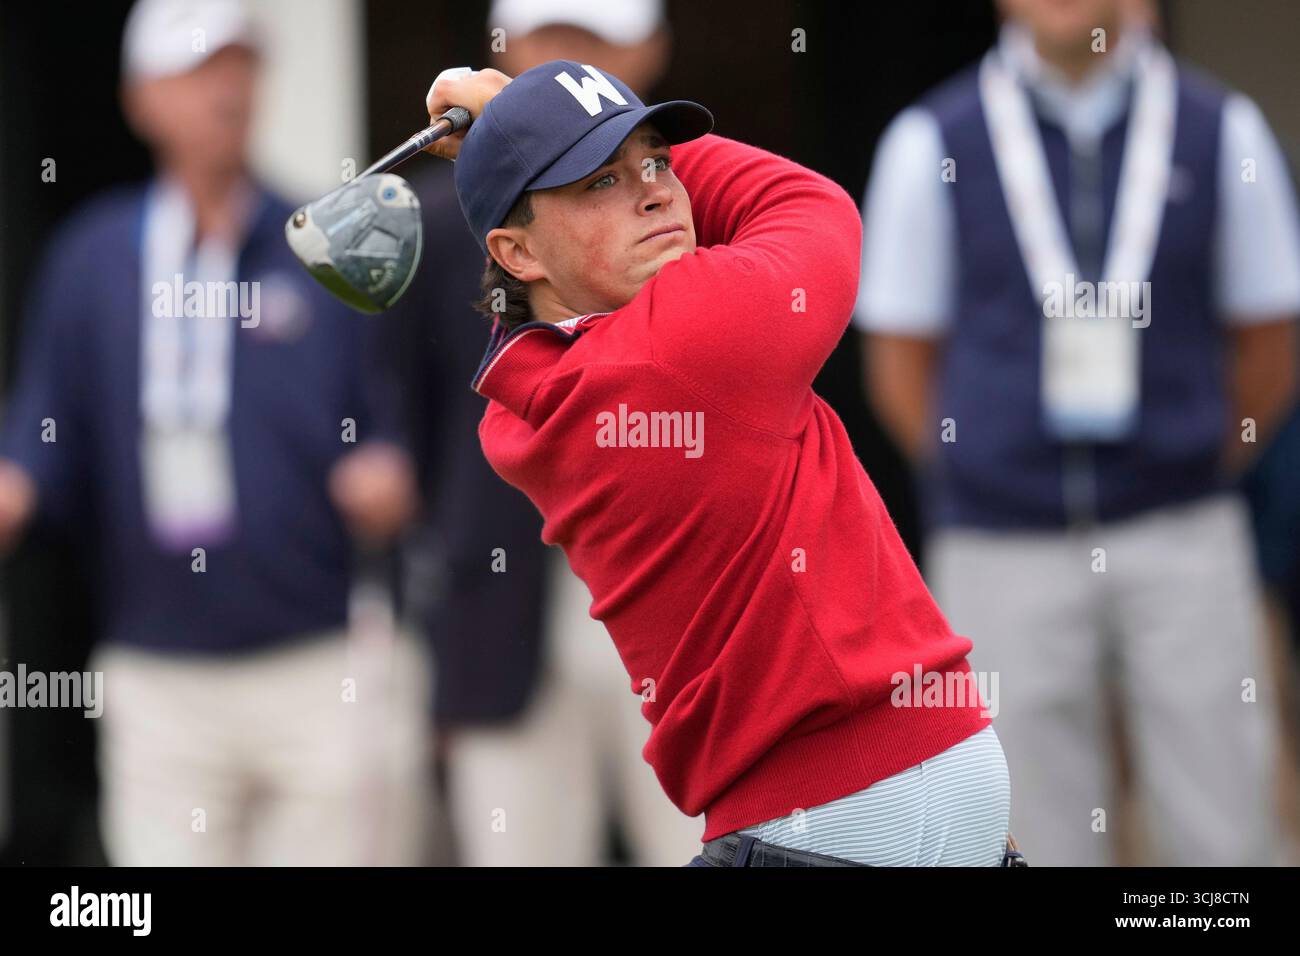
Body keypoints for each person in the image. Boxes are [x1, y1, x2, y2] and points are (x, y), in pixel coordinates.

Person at [417, 61, 1017, 867]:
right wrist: (522, 114)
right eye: (600, 182)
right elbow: (809, 205)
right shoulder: (689, 335)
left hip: (826, 818)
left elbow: (535, 293)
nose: (658, 191)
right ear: (517, 251)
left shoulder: (520, 397)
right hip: (862, 811)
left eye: (658, 160)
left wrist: (539, 131)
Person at [854, 0, 1300, 864]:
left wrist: (1193, 455)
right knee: (1024, 827)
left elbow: (1270, 344)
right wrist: (978, 468)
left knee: (1223, 823)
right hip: (1001, 542)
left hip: (1182, 530)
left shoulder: (1219, 127)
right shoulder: (931, 139)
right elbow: (900, 357)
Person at [0, 0, 429, 865]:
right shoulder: (93, 259)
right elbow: (43, 431)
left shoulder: (325, 242)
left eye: (239, 66)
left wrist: (389, 468)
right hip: (158, 676)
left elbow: (395, 416)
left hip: (322, 663)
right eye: (196, 70)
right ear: (140, 98)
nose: (223, 92)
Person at [384, 0, 701, 867]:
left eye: (593, 46)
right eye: (549, 43)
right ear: (505, 50)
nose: (566, 66)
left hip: (683, 625)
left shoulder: (691, 204)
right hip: (499, 617)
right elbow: (396, 432)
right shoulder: (437, 217)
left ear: (649, 49)